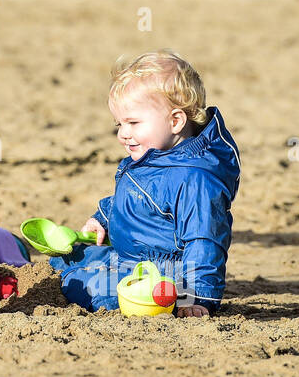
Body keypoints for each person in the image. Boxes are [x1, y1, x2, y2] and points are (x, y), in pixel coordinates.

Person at [50, 50, 241, 316]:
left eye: (133, 123)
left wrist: (194, 297)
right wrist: (103, 218)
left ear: (176, 121)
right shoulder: (157, 156)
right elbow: (134, 199)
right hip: (131, 258)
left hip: (165, 279)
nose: (123, 134)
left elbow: (204, 242)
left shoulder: (195, 178)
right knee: (67, 256)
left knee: (84, 286)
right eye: (119, 124)